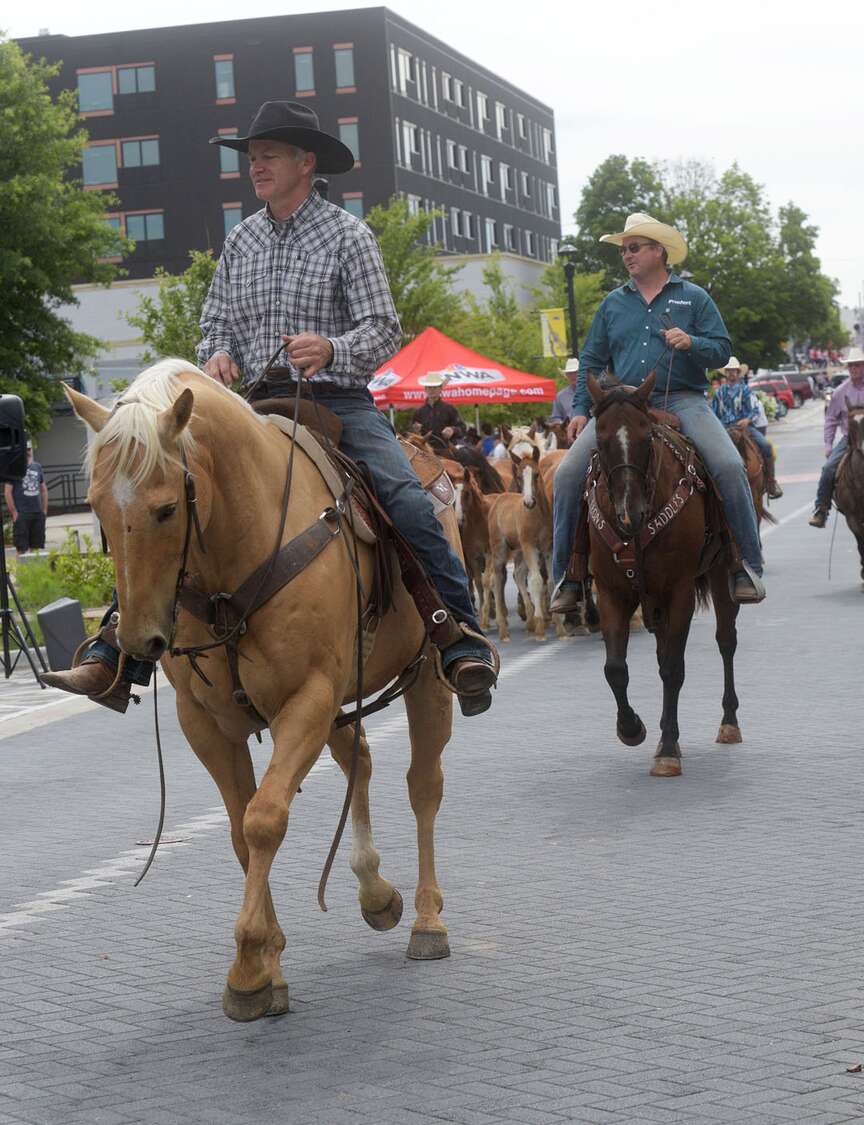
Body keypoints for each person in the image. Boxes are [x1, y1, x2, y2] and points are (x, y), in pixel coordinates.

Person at [42, 100, 497, 716]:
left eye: (269, 156)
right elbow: (212, 325)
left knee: (407, 497)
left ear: (305, 162)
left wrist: (332, 346)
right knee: (160, 496)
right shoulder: (241, 239)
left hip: (336, 402)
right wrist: (219, 354)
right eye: (252, 157)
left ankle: (457, 635)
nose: (256, 166)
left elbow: (385, 330)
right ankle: (120, 652)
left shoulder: (348, 235)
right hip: (249, 405)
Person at [549, 212, 766, 612]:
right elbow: (592, 360)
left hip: (684, 398)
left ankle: (746, 565)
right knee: (565, 475)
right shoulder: (613, 303)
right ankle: (568, 575)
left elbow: (721, 349)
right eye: (624, 250)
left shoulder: (694, 297)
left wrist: (692, 342)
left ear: (658, 251)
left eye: (634, 248)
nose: (627, 255)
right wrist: (581, 407)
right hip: (623, 403)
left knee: (730, 465)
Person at [711, 356, 782, 498]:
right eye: (729, 370)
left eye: (734, 371)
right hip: (725, 429)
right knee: (708, 451)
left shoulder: (746, 390)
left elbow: (755, 409)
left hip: (745, 428)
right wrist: (718, 425)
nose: (731, 373)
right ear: (725, 372)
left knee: (766, 446)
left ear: (738, 373)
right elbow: (713, 413)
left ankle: (770, 482)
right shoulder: (719, 393)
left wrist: (747, 420)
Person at [809, 346, 864, 527]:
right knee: (828, 469)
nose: (854, 369)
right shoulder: (840, 392)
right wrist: (828, 445)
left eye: (857, 365)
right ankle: (822, 509)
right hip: (849, 438)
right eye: (851, 366)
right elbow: (831, 420)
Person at [4, 443, 48, 556]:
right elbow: (7, 492)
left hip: (37, 513)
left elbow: (43, 489)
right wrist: (14, 512)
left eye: (29, 449)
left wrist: (44, 510)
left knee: (36, 549)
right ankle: (22, 573)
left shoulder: (37, 467)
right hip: (22, 514)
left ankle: (35, 573)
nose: (28, 451)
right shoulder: (13, 468)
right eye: (25, 449)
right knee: (21, 549)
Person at [410, 371, 465, 450]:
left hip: (447, 450)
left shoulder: (449, 408)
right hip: (425, 451)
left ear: (440, 389)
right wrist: (415, 429)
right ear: (425, 389)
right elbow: (411, 432)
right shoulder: (419, 412)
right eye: (429, 387)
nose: (432, 390)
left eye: (435, 387)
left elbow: (462, 428)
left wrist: (453, 430)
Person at [549, 357, 580, 424]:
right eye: (570, 373)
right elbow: (555, 417)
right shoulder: (560, 396)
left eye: (575, 372)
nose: (573, 376)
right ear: (566, 375)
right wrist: (562, 425)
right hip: (568, 432)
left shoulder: (590, 392)